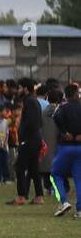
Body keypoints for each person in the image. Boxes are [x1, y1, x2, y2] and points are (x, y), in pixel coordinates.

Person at [10, 79, 46, 207]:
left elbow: (31, 122)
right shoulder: (34, 100)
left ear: (25, 89)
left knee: (19, 167)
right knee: (33, 168)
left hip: (29, 140)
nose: (18, 90)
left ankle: (21, 196)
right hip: (35, 138)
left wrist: (23, 136)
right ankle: (39, 196)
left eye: (20, 88)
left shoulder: (29, 101)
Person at [49, 83, 81, 218]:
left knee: (55, 175)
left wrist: (64, 132)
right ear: (75, 94)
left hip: (65, 147)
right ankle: (80, 210)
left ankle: (63, 201)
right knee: (79, 179)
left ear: (66, 95)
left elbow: (55, 118)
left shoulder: (62, 108)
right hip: (80, 147)